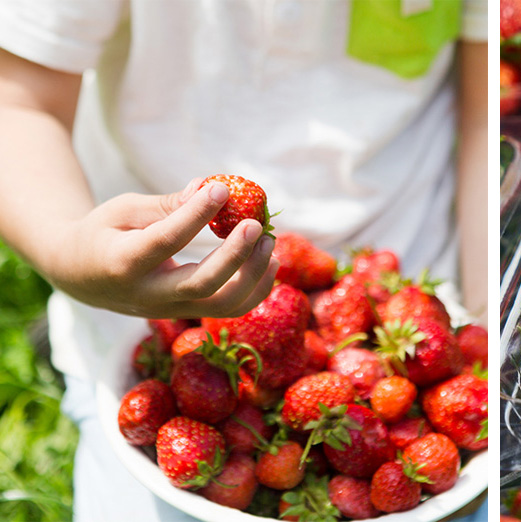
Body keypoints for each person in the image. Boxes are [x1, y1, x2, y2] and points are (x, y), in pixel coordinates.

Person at [0, 1, 487, 520]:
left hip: (407, 311)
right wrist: (71, 253)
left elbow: (488, 118)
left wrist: (485, 317)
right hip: (143, 311)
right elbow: (19, 105)